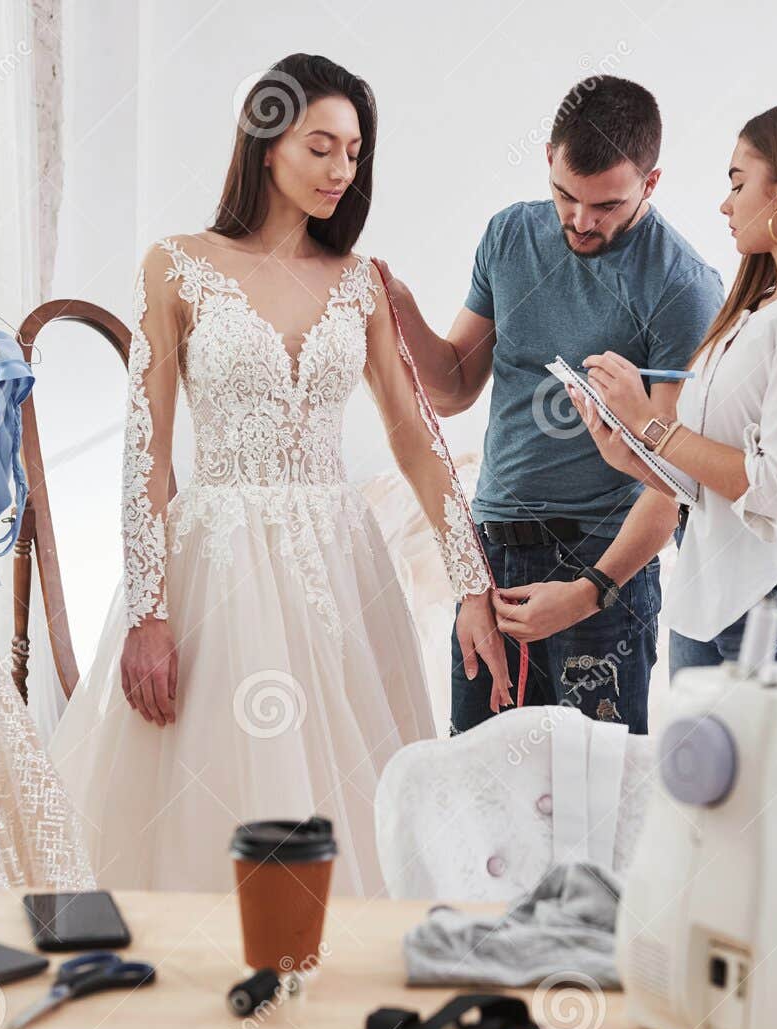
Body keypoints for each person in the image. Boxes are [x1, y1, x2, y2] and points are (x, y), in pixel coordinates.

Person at [49, 54, 509, 897]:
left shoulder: (361, 281)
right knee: (220, 780)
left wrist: (470, 583)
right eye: (321, 147)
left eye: (354, 153)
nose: (342, 171)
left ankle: (329, 983)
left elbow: (415, 437)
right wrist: (148, 613)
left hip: (341, 566)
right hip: (215, 566)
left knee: (354, 793)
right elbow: (146, 449)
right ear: (267, 145)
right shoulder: (176, 265)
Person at [379, 75, 723, 734]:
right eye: (566, 195)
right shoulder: (509, 235)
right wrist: (403, 309)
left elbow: (672, 484)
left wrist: (588, 592)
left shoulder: (682, 286)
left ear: (650, 184)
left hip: (602, 565)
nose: (582, 220)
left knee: (594, 812)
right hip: (492, 557)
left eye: (607, 204)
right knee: (478, 797)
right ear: (547, 159)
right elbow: (452, 387)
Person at [570, 99, 777, 671]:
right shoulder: (758, 312)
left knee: (757, 764)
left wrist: (651, 423)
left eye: (738, 182)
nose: (725, 203)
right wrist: (629, 452)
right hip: (706, 600)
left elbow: (772, 489)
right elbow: (717, 490)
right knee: (692, 764)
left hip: (772, 602)